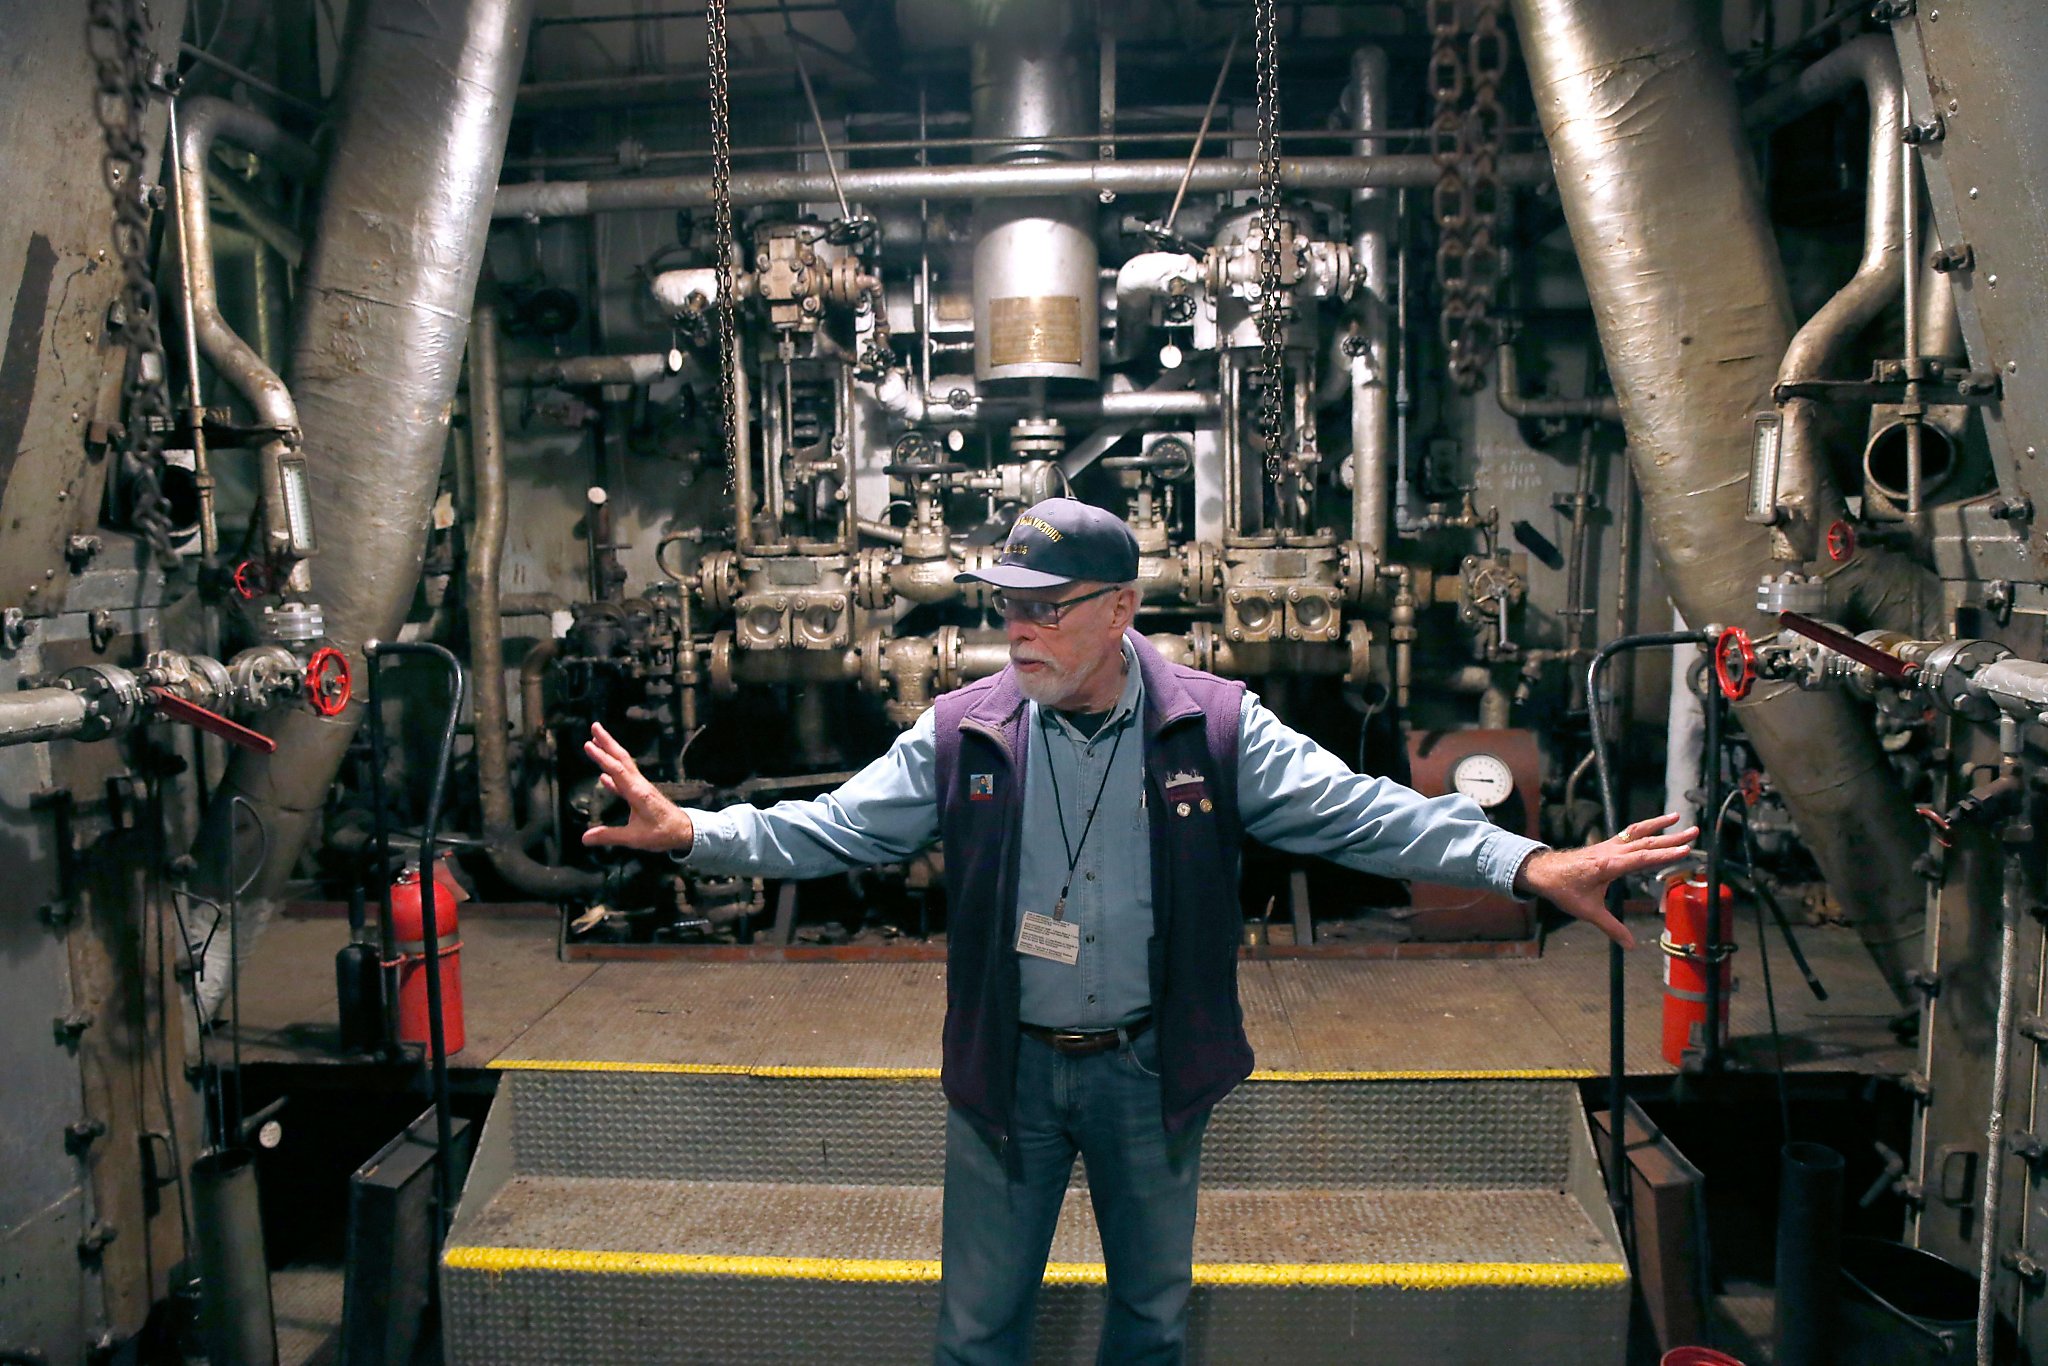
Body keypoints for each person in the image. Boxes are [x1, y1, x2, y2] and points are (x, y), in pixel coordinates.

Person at [581, 496, 1695, 1366]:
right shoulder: (962, 730)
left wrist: (1528, 860)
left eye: (1048, 605)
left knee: (1151, 1324)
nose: (1019, 628)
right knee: (975, 1334)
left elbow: (1363, 812)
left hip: (1148, 1071)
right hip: (1005, 1078)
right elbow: (826, 830)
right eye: (1007, 605)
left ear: (1120, 610)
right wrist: (689, 830)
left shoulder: (1209, 725)